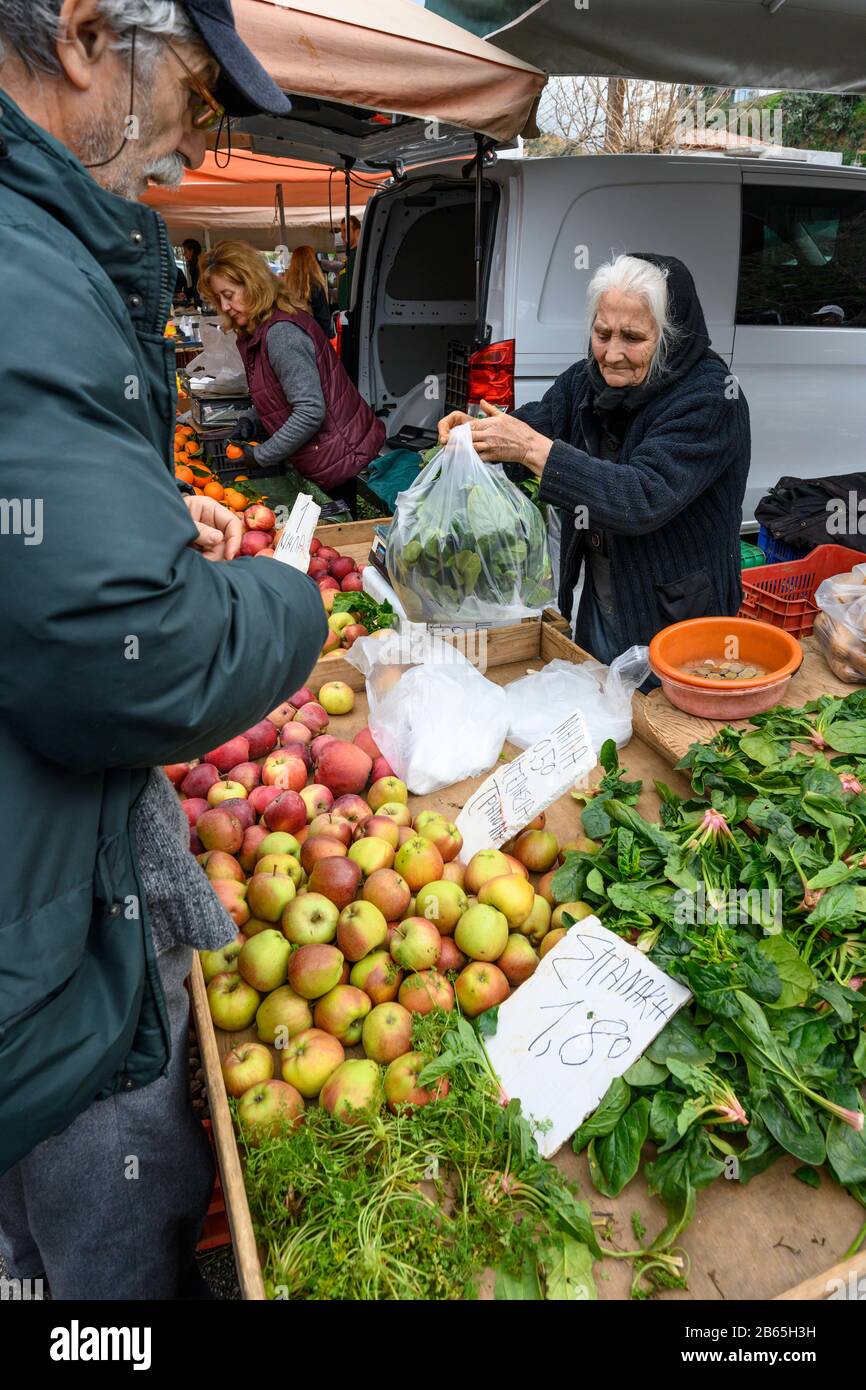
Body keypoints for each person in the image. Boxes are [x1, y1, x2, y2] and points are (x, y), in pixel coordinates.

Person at [0, 0, 327, 1301]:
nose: (194, 150)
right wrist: (289, 604)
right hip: (41, 961)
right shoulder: (25, 269)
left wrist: (137, 518)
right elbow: (130, 666)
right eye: (195, 96)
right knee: (97, 1286)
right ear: (85, 31)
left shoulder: (42, 252)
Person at [438, 253, 751, 663]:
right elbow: (538, 424)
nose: (612, 353)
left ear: (672, 336)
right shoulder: (586, 379)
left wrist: (530, 447)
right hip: (601, 597)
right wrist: (478, 433)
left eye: (633, 338)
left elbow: (641, 497)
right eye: (602, 334)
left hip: (677, 612)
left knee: (661, 721)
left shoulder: (711, 398)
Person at [200, 239, 384, 516]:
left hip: (344, 458)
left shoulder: (280, 334)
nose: (225, 306)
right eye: (218, 299)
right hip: (331, 456)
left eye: (229, 294)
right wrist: (252, 419)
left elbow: (310, 411)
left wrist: (261, 455)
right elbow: (280, 392)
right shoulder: (260, 330)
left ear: (253, 284)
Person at [286, 244, 333, 338]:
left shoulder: (285, 288)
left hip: (289, 337)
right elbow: (324, 322)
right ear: (312, 262)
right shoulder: (315, 287)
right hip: (312, 339)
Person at [337, 213, 360, 311]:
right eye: (341, 231)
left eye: (345, 231)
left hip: (355, 313)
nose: (342, 235)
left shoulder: (360, 256)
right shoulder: (347, 257)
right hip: (345, 314)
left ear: (357, 232)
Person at [175, 236, 203, 307]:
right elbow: (193, 286)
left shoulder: (199, 266)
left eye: (185, 251)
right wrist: (185, 293)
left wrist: (195, 305)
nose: (184, 254)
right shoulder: (193, 266)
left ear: (192, 251)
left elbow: (199, 288)